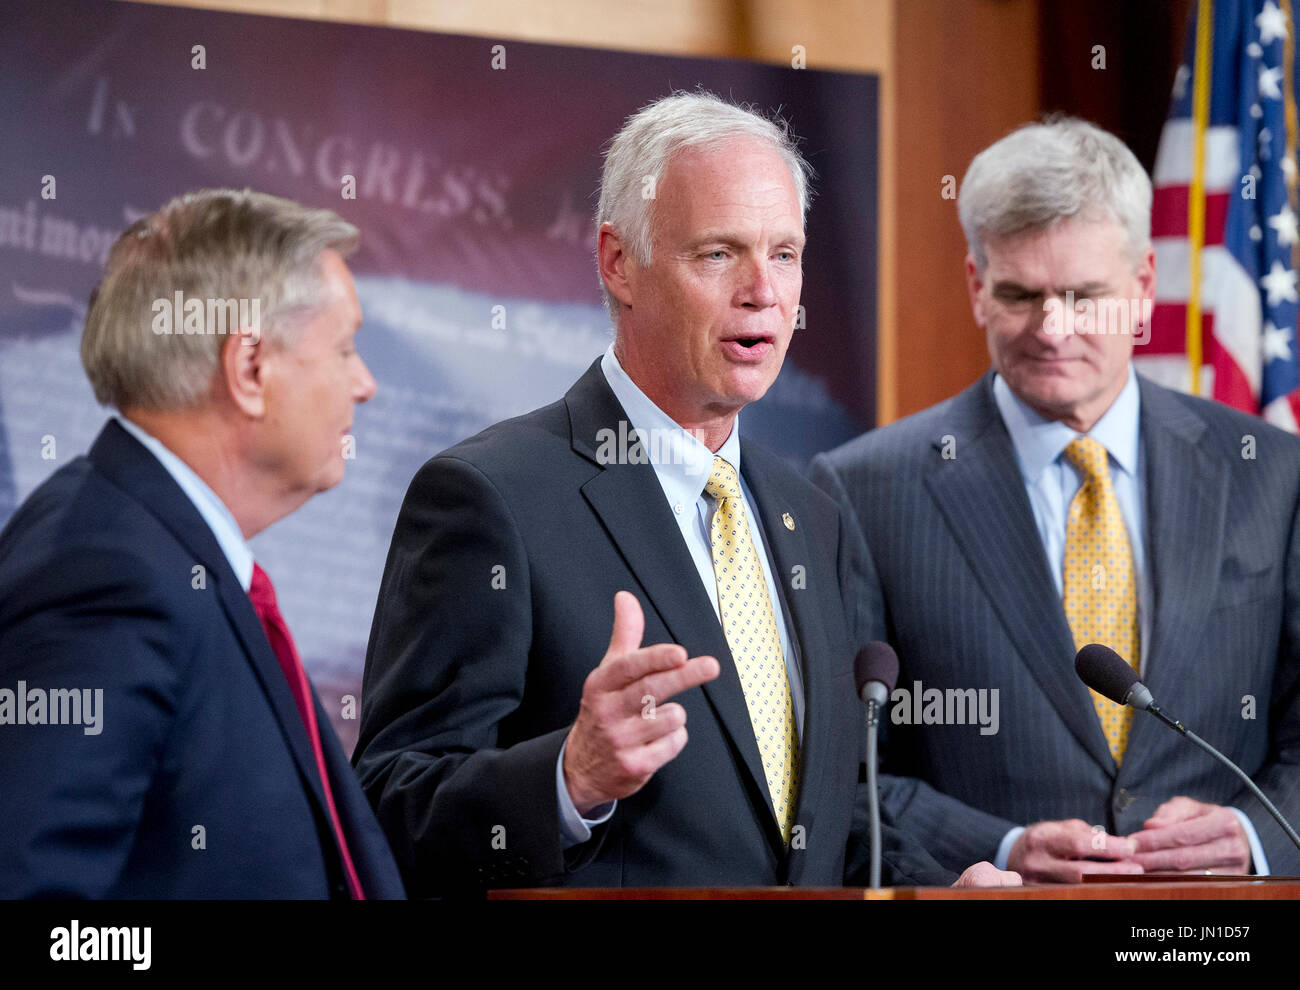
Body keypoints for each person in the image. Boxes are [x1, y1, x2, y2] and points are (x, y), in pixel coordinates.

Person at [354, 92, 1016, 895]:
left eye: (785, 254)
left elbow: (822, 819)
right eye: (718, 254)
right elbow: (388, 805)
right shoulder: (492, 498)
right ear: (618, 262)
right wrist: (569, 780)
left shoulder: (811, 515)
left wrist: (935, 888)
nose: (763, 291)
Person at [811, 117, 1300, 882]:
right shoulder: (863, 490)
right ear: (977, 287)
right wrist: (1000, 848)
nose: (1052, 329)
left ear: (1143, 288)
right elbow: (843, 775)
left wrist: (1254, 833)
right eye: (1020, 295)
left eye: (1083, 295)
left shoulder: (1272, 472)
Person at [0, 189, 404, 898]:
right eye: (344, 349)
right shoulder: (107, 578)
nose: (364, 384)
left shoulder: (156, 551)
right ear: (249, 369)